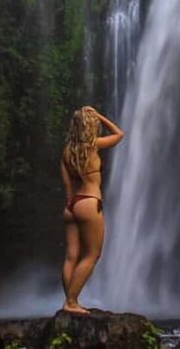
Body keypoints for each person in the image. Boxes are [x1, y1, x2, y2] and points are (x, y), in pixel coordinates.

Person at [60, 105, 123, 314]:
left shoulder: (67, 151)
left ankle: (69, 301)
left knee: (71, 256)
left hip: (72, 205)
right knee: (92, 255)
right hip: (89, 202)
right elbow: (119, 134)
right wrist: (100, 116)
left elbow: (68, 186)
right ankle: (71, 301)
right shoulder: (93, 145)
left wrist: (71, 206)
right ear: (90, 126)